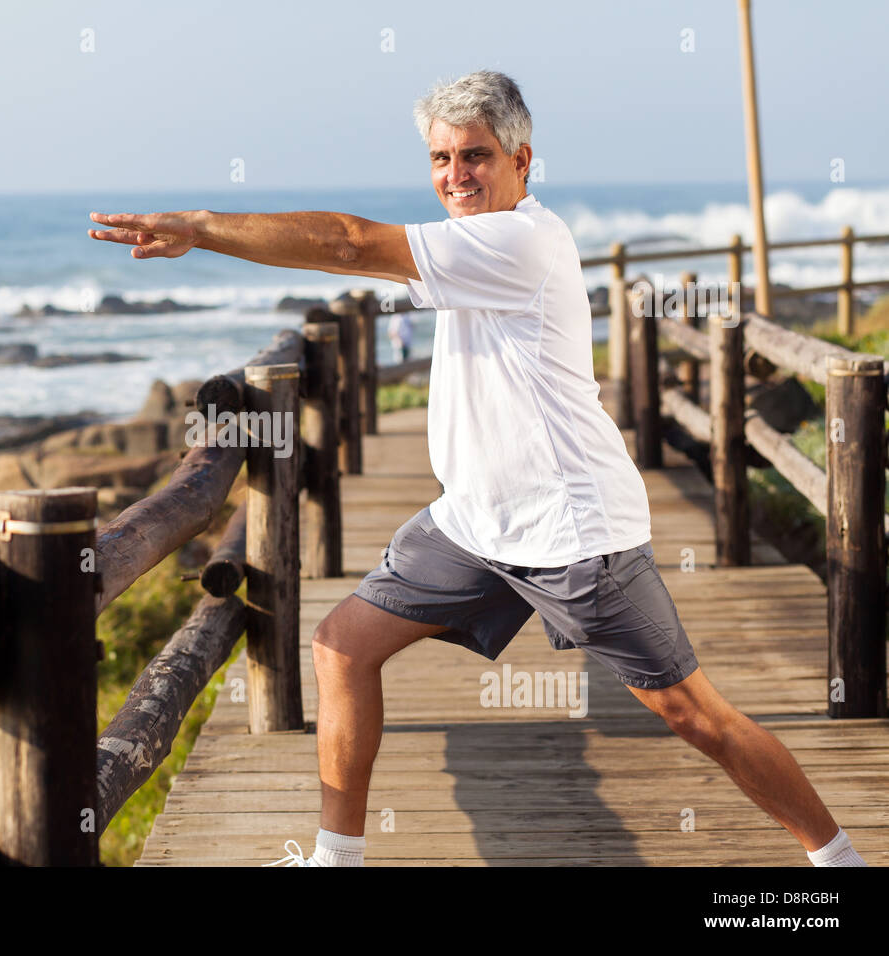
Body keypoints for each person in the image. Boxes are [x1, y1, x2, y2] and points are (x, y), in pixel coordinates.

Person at [87, 70, 865, 869]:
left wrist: (202, 226)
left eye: (475, 156)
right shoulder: (471, 241)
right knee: (342, 647)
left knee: (694, 716)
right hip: (471, 523)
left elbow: (348, 242)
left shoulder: (521, 240)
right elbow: (363, 258)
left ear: (522, 161)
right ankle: (335, 858)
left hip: (569, 529)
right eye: (440, 157)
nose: (455, 174)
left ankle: (836, 859)